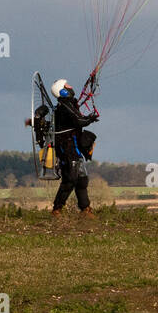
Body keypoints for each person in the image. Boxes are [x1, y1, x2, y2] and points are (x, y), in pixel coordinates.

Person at [50, 79, 97, 216]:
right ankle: (56, 210)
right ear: (63, 90)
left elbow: (77, 120)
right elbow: (79, 121)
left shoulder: (68, 104)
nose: (70, 86)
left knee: (82, 179)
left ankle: (85, 209)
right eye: (67, 85)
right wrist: (90, 118)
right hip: (67, 148)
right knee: (70, 179)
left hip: (73, 146)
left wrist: (88, 118)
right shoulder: (65, 105)